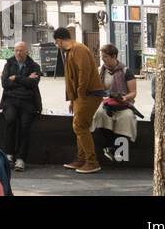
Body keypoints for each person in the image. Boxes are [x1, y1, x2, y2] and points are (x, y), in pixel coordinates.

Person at [56, 26, 104, 174]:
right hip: (82, 95)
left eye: (56, 43)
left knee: (79, 126)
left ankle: (91, 161)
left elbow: (85, 71)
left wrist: (80, 93)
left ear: (58, 41)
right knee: (80, 126)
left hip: (88, 94)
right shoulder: (72, 50)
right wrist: (73, 99)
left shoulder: (78, 49)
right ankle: (81, 159)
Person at [0, 41, 41, 171]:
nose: (18, 53)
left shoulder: (34, 66)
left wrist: (16, 78)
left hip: (28, 101)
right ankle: (9, 154)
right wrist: (25, 80)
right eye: (16, 50)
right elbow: (5, 84)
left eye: (21, 50)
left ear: (27, 51)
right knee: (10, 121)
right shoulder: (9, 64)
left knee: (25, 127)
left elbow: (33, 84)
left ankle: (21, 158)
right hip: (10, 100)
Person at [91, 44, 140, 143]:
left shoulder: (126, 71)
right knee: (100, 114)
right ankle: (109, 144)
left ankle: (121, 150)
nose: (103, 60)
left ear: (114, 56)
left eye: (105, 57)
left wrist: (125, 98)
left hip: (123, 104)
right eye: (102, 57)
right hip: (107, 103)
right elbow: (97, 90)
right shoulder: (100, 71)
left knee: (127, 117)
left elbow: (133, 93)